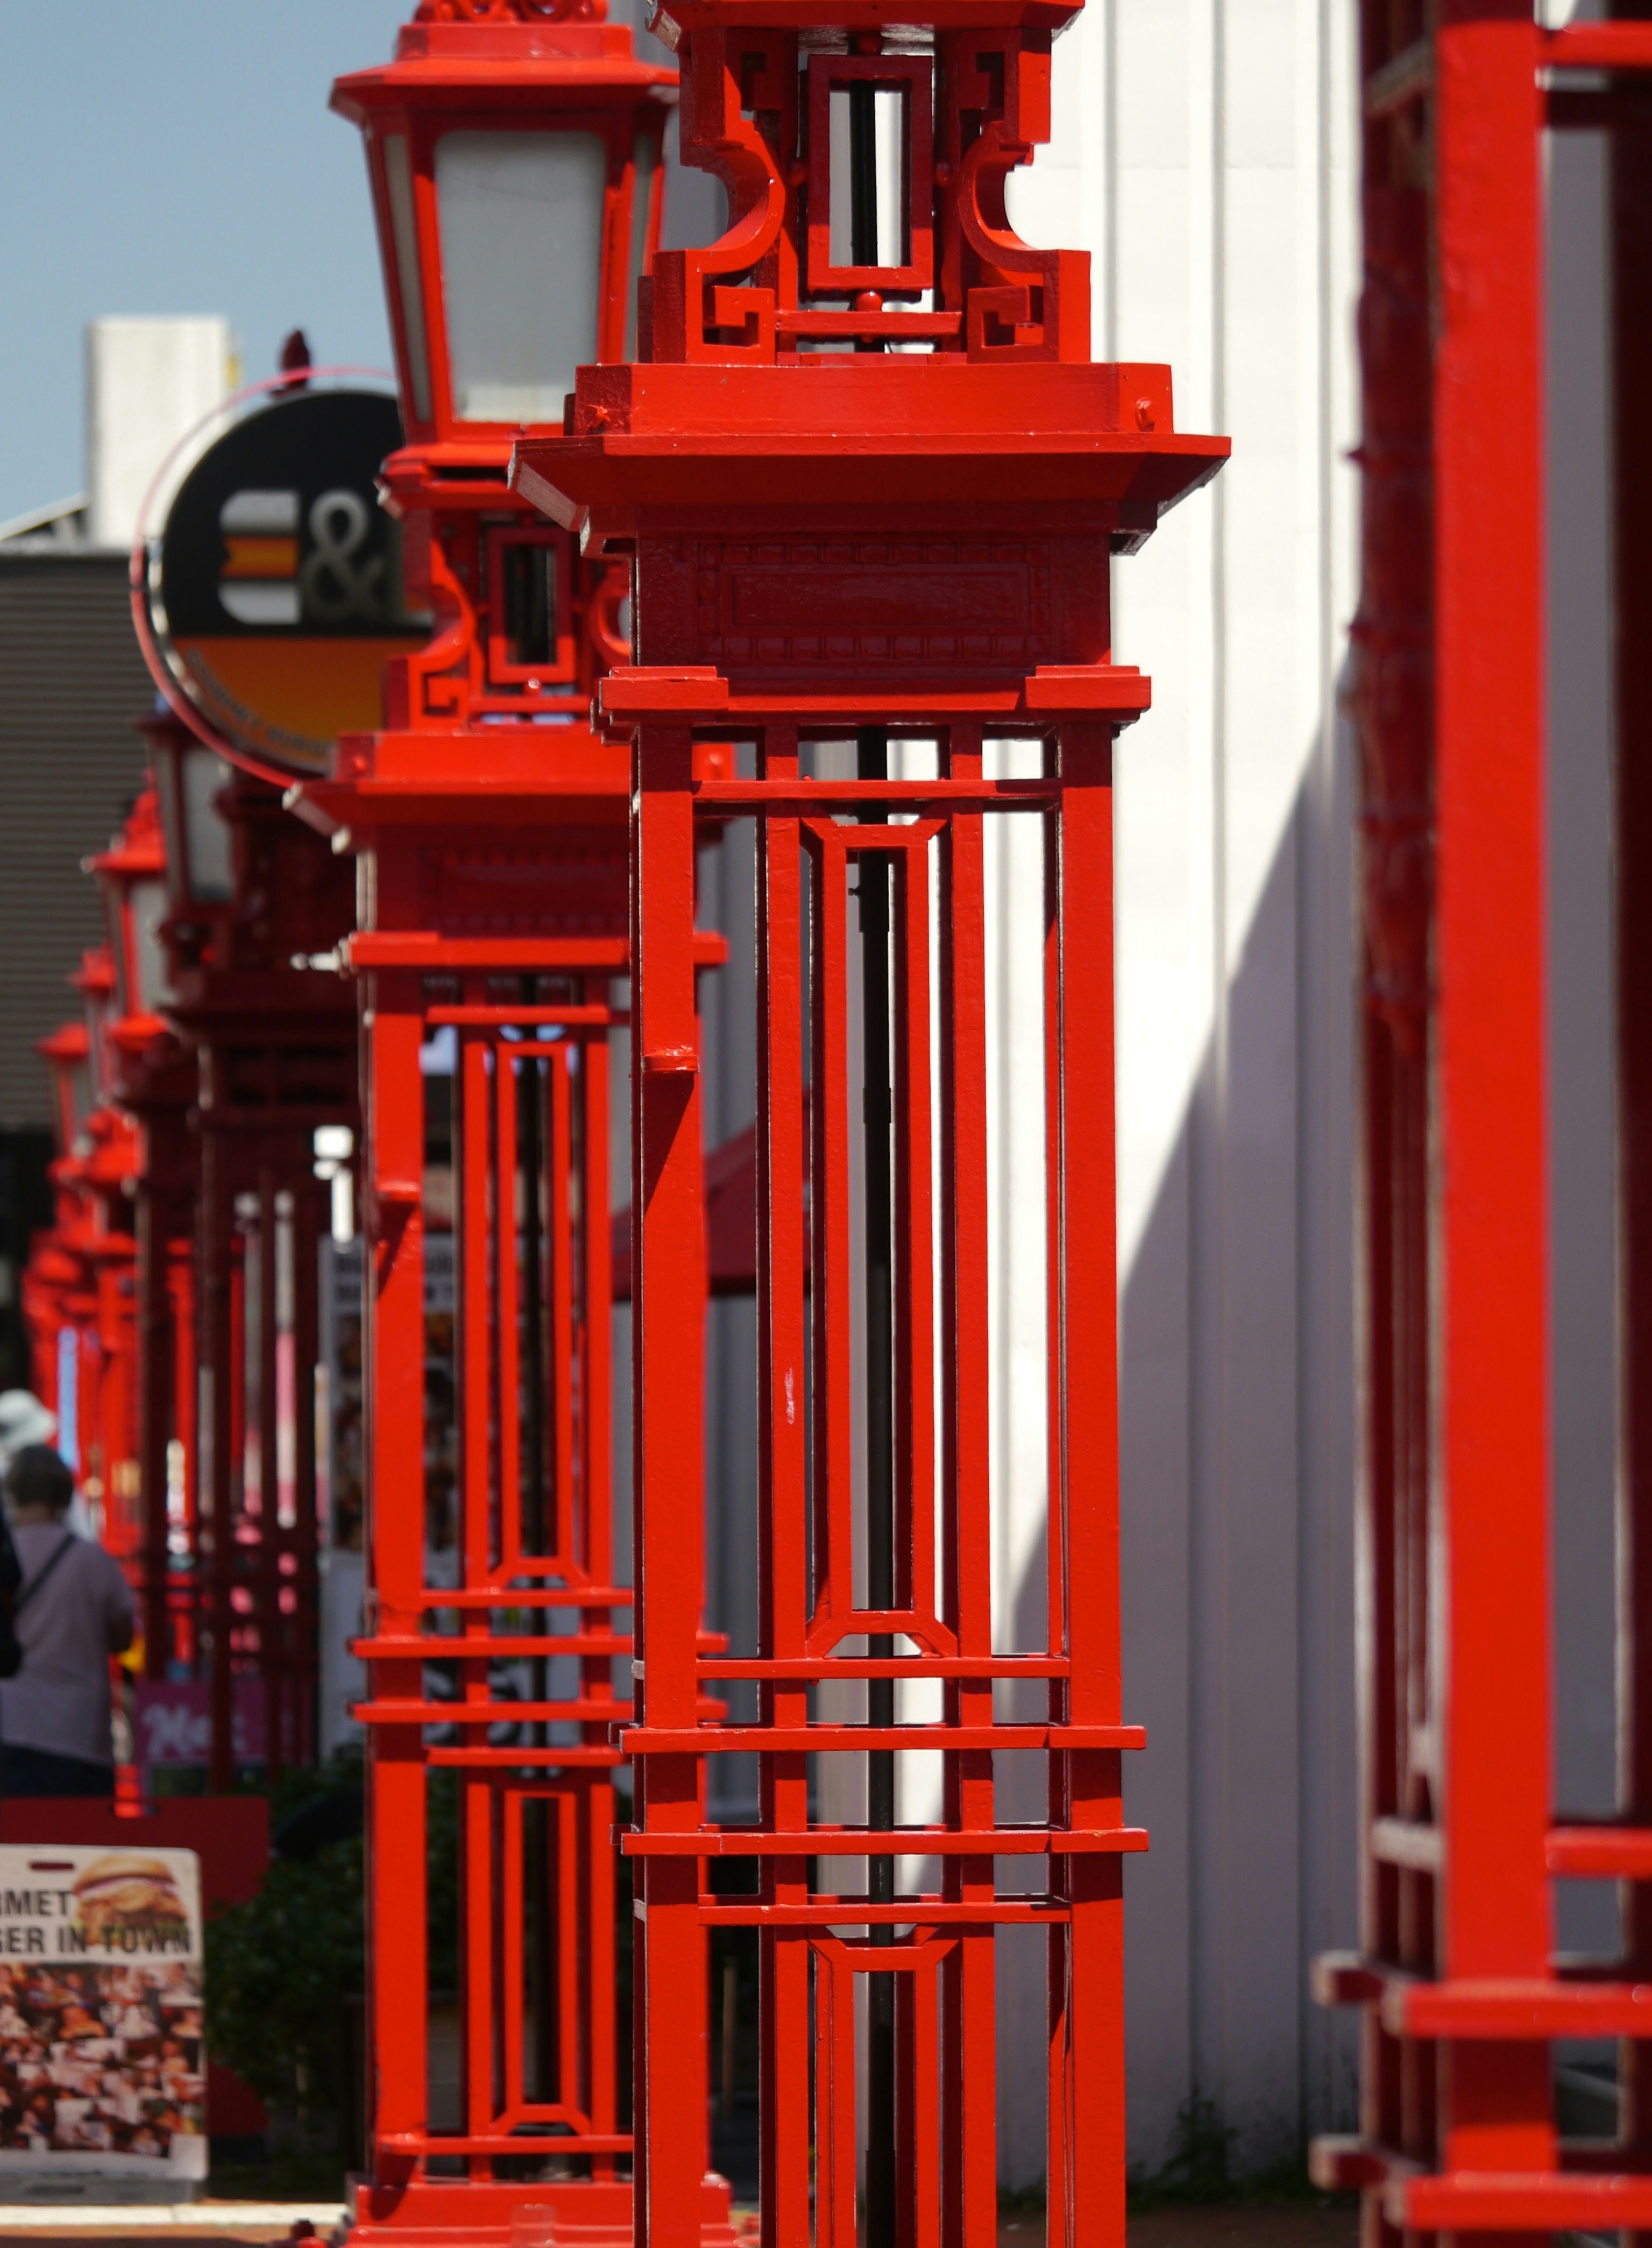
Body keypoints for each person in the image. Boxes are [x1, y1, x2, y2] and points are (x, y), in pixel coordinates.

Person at [0, 1446, 133, 1798]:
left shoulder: (4, 1554)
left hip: (9, 1720)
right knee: (80, 1842)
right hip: (78, 1730)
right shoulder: (93, 1561)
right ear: (64, 1492)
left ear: (12, 1490)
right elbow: (124, 1640)